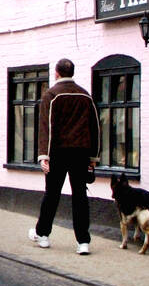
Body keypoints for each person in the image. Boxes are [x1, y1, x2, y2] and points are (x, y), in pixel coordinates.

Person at [29, 58, 99, 254]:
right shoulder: (86, 96)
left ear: (57, 74)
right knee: (80, 196)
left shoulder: (51, 95)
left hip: (58, 152)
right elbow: (95, 128)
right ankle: (83, 242)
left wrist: (44, 156)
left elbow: (46, 128)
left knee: (52, 194)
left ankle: (43, 235)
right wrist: (93, 158)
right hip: (81, 154)